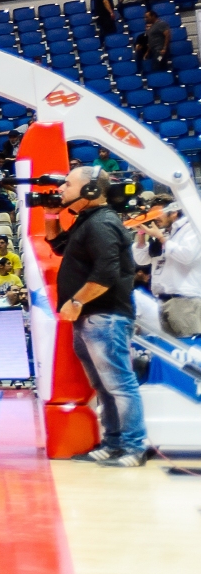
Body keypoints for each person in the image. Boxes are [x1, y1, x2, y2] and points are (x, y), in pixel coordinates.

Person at [54, 168, 148, 465]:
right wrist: (49, 215)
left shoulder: (102, 224)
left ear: (91, 190)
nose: (61, 189)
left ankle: (134, 447)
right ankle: (114, 443)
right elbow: (57, 246)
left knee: (120, 384)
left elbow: (107, 274)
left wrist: (76, 301)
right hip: (92, 318)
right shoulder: (88, 221)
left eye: (68, 184)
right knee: (105, 387)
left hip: (104, 316)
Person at [134, 202, 201, 338]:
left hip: (185, 301)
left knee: (189, 349)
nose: (154, 218)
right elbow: (142, 260)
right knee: (172, 351)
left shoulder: (192, 227)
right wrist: (141, 233)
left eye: (157, 214)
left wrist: (160, 237)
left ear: (174, 212)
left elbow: (186, 256)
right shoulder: (165, 232)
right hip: (163, 300)